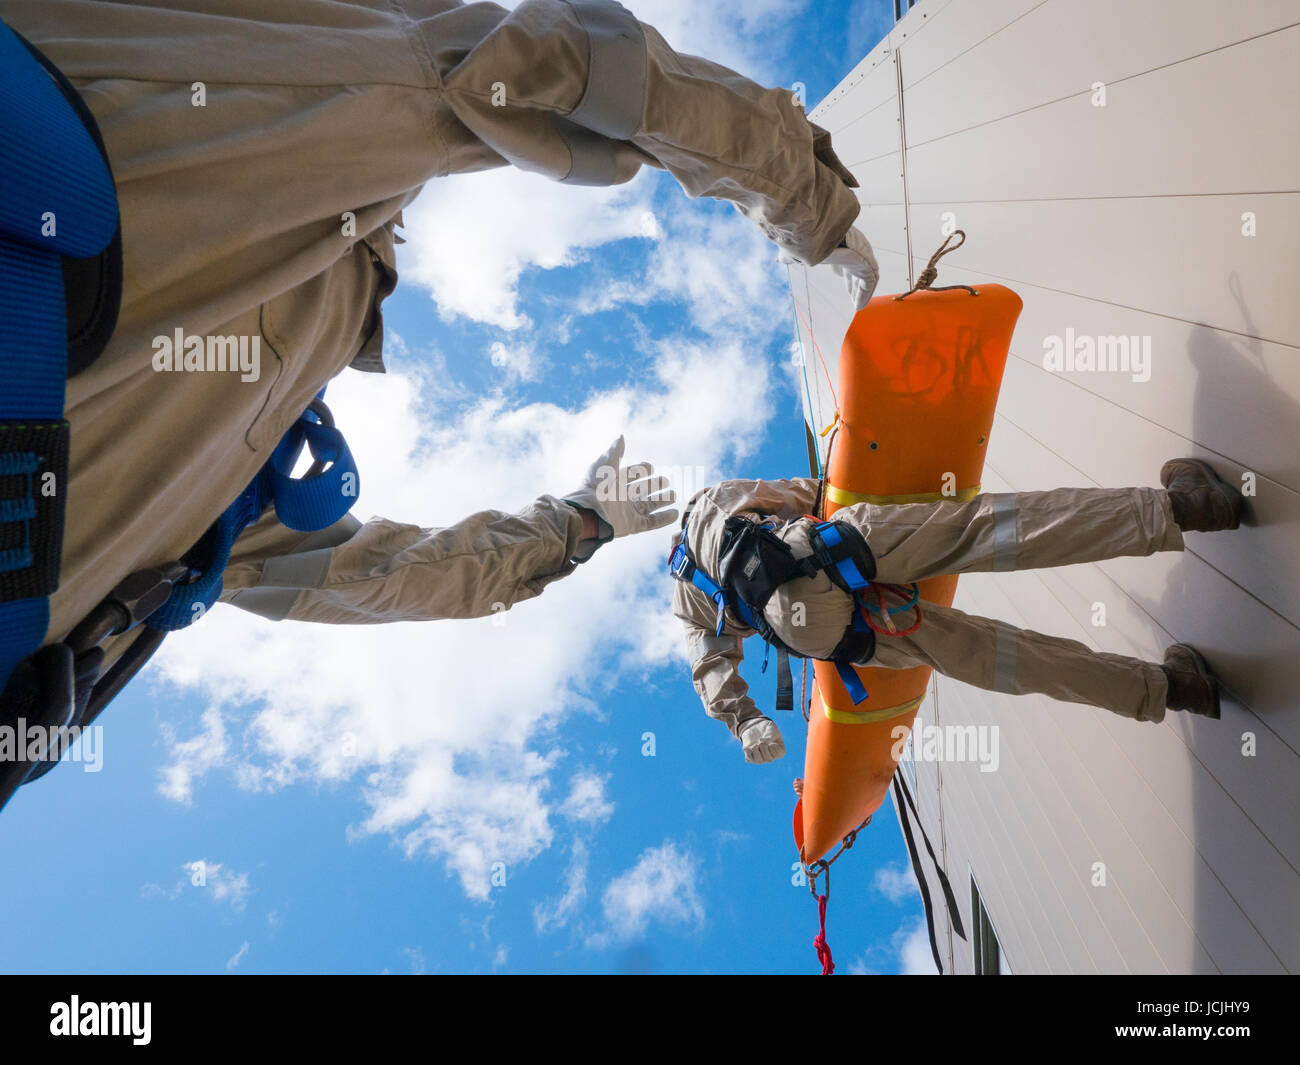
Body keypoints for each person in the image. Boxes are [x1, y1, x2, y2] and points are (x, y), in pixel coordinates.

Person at [0, 0, 878, 682]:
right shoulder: (250, 107)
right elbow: (538, 68)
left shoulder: (220, 461)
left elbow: (371, 576)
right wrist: (805, 197)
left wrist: (574, 525)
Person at [670, 459, 1243, 764]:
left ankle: (1173, 690)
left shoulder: (688, 606)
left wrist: (747, 723)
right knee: (993, 532)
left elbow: (709, 671)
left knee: (999, 657)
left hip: (824, 636)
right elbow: (814, 494)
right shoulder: (713, 502)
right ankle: (1187, 507)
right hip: (817, 558)